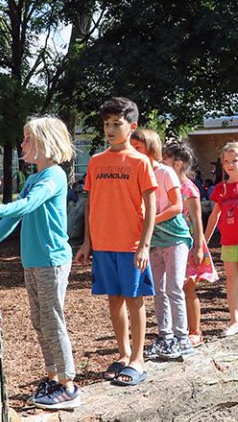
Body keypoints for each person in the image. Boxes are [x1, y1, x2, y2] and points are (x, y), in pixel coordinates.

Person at [0, 116, 79, 410]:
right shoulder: (35, 178)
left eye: (27, 139)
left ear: (44, 142)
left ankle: (68, 385)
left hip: (52, 261)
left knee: (52, 321)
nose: (22, 144)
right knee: (40, 322)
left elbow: (26, 205)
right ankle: (52, 377)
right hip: (33, 262)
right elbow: (13, 218)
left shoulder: (54, 176)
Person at [74, 97, 157, 387]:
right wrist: (87, 243)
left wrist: (144, 245)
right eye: (106, 124)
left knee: (135, 300)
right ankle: (123, 355)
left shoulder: (140, 161)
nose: (110, 129)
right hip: (103, 244)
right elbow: (90, 203)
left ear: (132, 127)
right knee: (114, 299)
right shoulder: (96, 162)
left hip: (132, 245)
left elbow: (152, 205)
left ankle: (138, 358)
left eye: (116, 124)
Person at [131, 128, 194, 361]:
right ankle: (164, 336)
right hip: (154, 240)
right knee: (158, 289)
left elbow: (177, 206)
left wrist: (151, 220)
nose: (133, 151)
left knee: (174, 287)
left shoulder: (165, 171)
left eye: (137, 147)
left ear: (150, 148)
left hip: (176, 238)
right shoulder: (136, 173)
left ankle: (182, 337)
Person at [162, 141, 218, 347]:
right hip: (172, 244)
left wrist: (198, 249)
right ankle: (179, 329)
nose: (160, 163)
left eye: (164, 159)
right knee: (172, 288)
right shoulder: (169, 187)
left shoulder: (189, 190)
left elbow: (196, 221)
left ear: (177, 164)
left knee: (187, 288)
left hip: (189, 247)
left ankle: (195, 331)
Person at [204, 141, 238, 337]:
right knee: (232, 281)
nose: (230, 164)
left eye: (235, 160)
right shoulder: (221, 189)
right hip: (228, 242)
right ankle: (234, 320)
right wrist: (204, 241)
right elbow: (214, 216)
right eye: (226, 161)